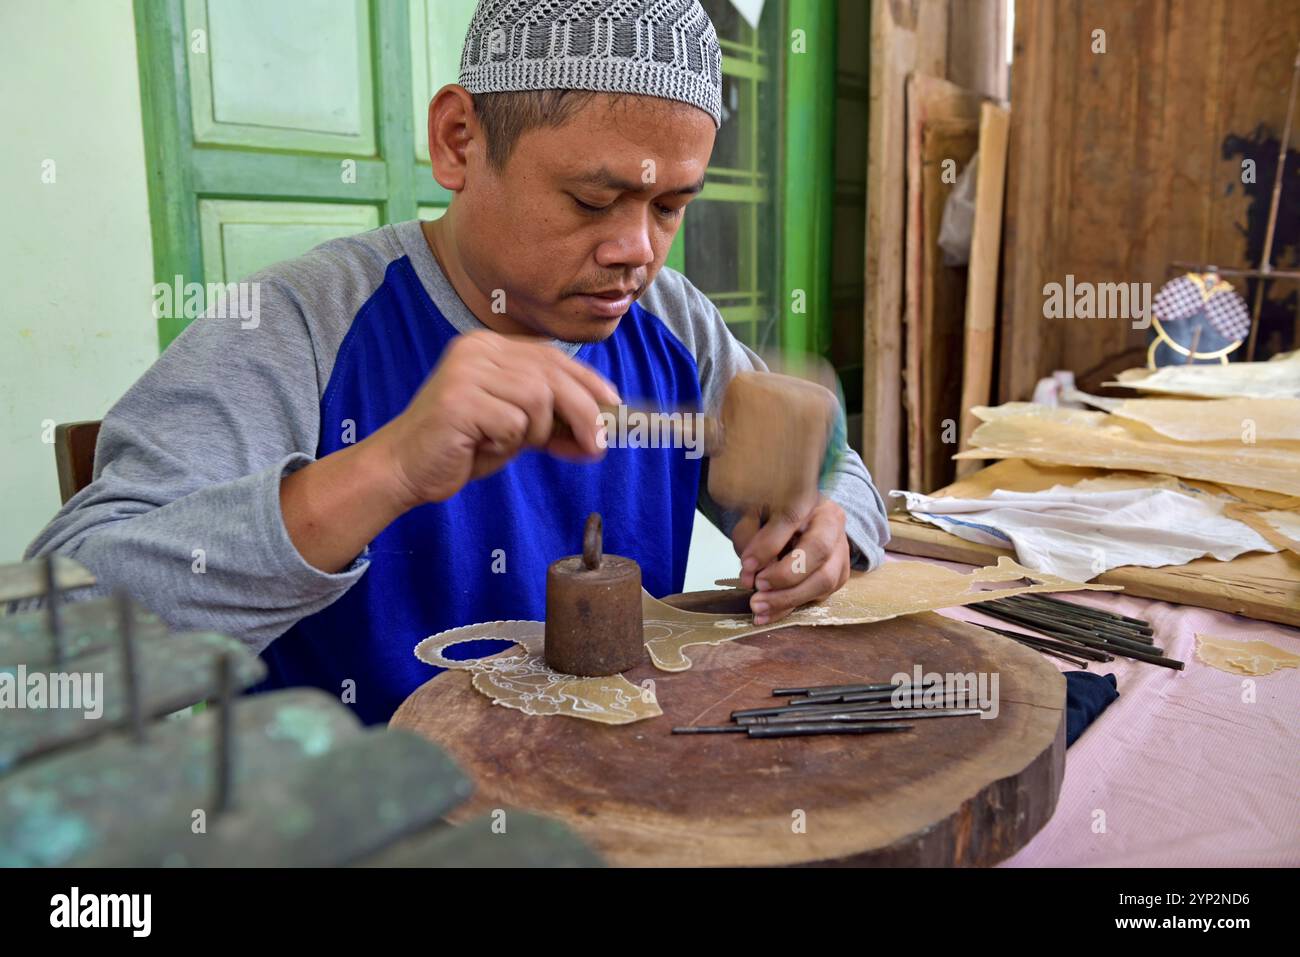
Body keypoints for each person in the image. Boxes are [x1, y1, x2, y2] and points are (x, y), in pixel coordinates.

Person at [26, 0, 889, 724]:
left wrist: (830, 530)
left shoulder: (672, 321)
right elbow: (41, 645)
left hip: (618, 808)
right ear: (458, 140)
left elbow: (835, 473)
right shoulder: (296, 327)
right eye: (593, 198)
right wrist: (384, 468)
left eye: (669, 206)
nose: (637, 250)